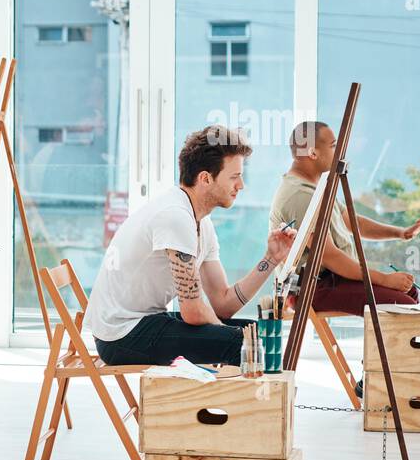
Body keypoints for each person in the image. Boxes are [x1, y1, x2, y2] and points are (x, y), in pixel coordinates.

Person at [86, 125, 296, 369]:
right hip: (121, 335)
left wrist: (271, 258)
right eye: (234, 177)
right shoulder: (175, 217)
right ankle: (253, 406)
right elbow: (193, 312)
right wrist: (229, 335)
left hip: (144, 322)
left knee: (254, 331)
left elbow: (222, 304)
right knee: (243, 341)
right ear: (205, 178)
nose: (241, 186)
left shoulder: (201, 222)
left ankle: (258, 403)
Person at [270, 120, 420, 314]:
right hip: (314, 288)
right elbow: (331, 257)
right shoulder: (301, 196)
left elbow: (354, 223)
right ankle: (384, 344)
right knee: (404, 304)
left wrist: (401, 233)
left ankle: (386, 345)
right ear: (312, 153)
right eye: (333, 146)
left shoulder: (316, 188)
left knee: (409, 292)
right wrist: (385, 279)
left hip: (334, 279)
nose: (340, 153)